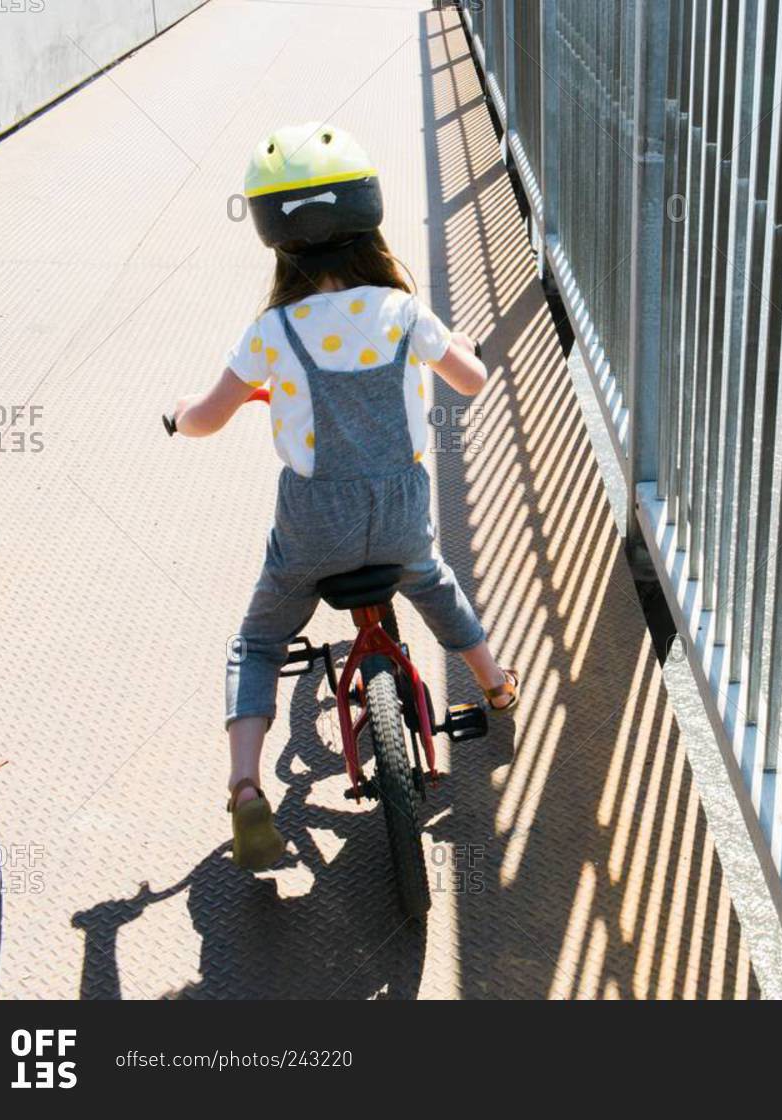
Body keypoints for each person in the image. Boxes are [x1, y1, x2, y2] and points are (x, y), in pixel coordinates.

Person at [170, 122, 518, 870]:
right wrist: (446, 349)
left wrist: (176, 417)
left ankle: (244, 787)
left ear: (276, 238)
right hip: (398, 514)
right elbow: (472, 379)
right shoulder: (401, 311)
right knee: (431, 577)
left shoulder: (271, 331)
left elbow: (204, 417)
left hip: (313, 525)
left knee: (259, 640)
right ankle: (494, 684)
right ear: (369, 215)